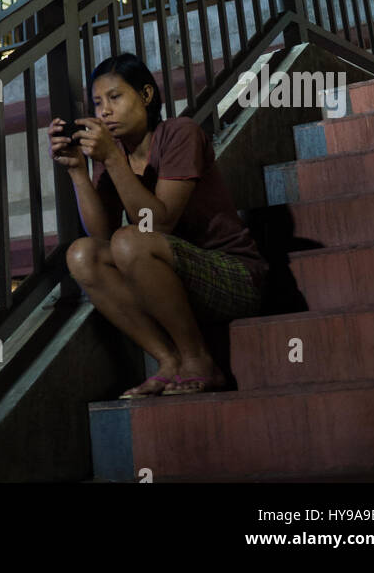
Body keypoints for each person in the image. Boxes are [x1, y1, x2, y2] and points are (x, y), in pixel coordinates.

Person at [48, 52, 268, 398]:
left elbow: (159, 223)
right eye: (97, 102)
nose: (104, 111)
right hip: (167, 280)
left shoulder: (180, 134)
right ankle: (169, 362)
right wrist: (78, 170)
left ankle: (199, 362)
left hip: (233, 277)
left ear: (146, 96)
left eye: (115, 97)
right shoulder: (115, 152)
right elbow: (101, 236)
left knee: (132, 240)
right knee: (82, 255)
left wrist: (110, 158)